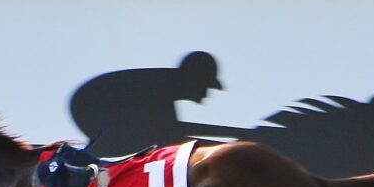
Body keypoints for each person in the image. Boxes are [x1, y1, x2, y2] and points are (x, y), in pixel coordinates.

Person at [69, 50, 244, 158]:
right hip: (93, 109)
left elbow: (175, 129)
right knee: (155, 142)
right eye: (206, 87)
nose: (206, 94)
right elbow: (172, 135)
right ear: (195, 81)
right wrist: (233, 145)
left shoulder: (167, 85)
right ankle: (88, 159)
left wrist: (238, 135)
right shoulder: (161, 87)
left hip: (99, 108)